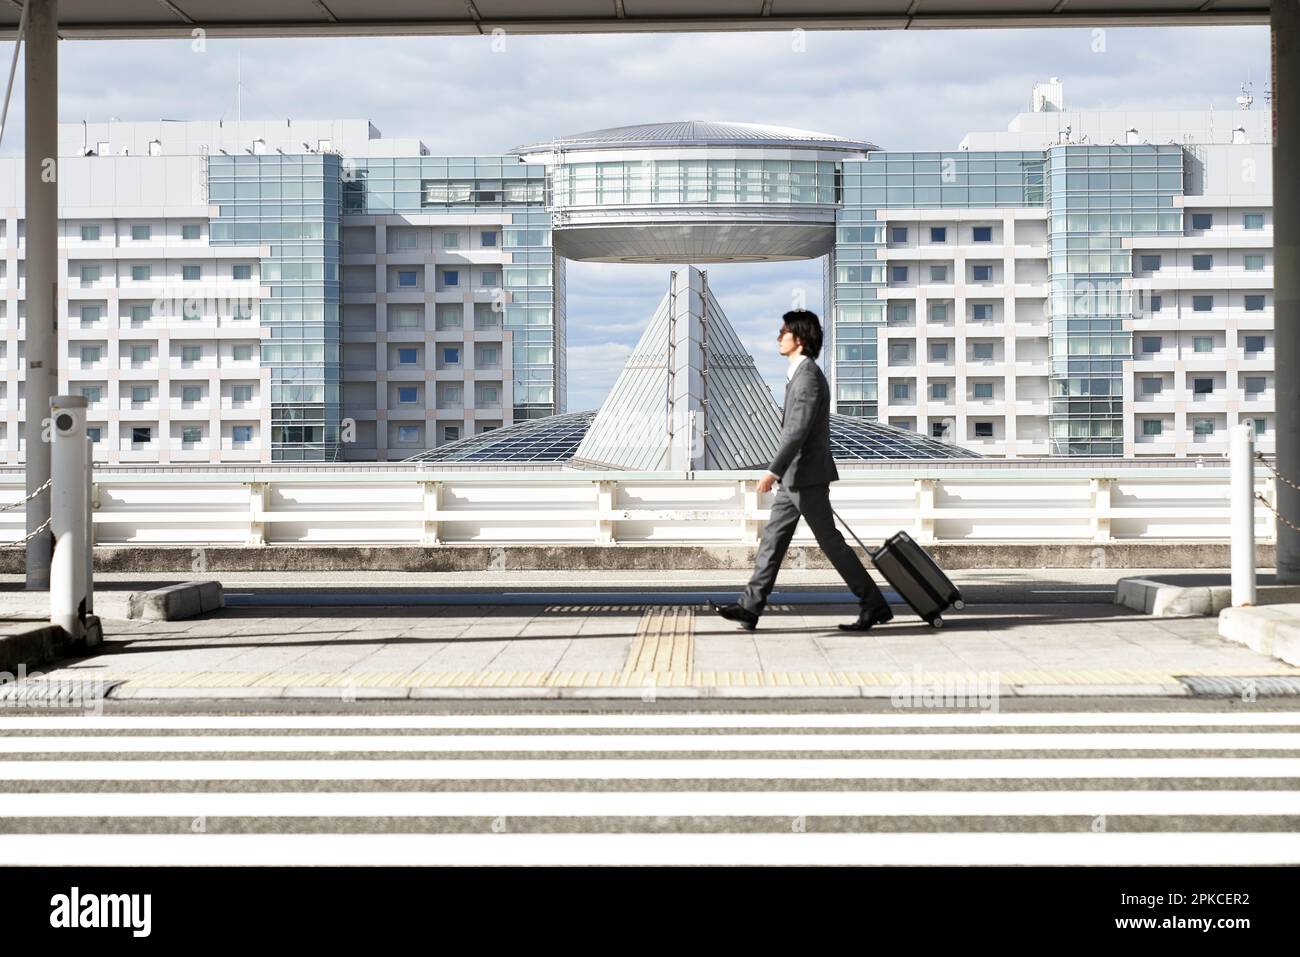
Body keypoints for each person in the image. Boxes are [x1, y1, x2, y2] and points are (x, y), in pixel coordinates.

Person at [708, 310, 894, 632]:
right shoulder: (800, 374)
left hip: (805, 478)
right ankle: (750, 608)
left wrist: (772, 471)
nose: (778, 337)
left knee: (831, 544)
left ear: (800, 338)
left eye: (783, 331)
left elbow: (797, 431)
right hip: (795, 478)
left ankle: (874, 603)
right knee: (772, 542)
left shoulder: (807, 377)